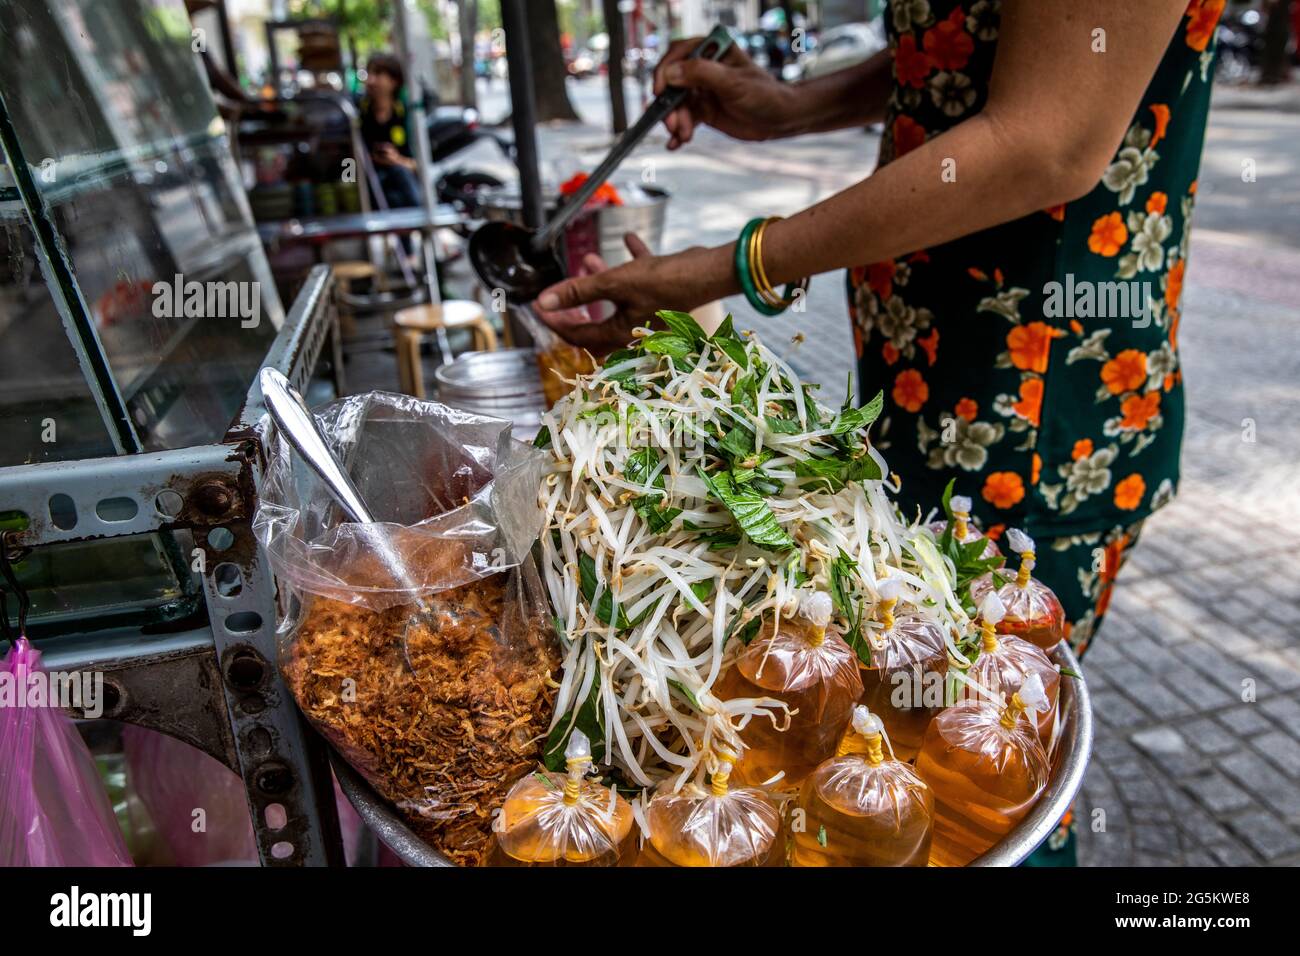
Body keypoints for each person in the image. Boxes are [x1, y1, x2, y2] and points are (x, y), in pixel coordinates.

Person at [532, 0, 1227, 864]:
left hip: (1039, 410)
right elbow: (979, 51)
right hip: (923, 392)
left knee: (987, 764)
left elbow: (1047, 137)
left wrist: (733, 266)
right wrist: (797, 106)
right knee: (888, 713)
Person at [359, 54, 423, 209]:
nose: (370, 81)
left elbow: (419, 165)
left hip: (399, 182)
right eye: (369, 74)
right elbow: (347, 163)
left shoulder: (406, 115)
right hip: (368, 180)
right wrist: (360, 163)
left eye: (378, 74)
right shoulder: (359, 113)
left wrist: (396, 160)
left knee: (399, 175)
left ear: (394, 81)